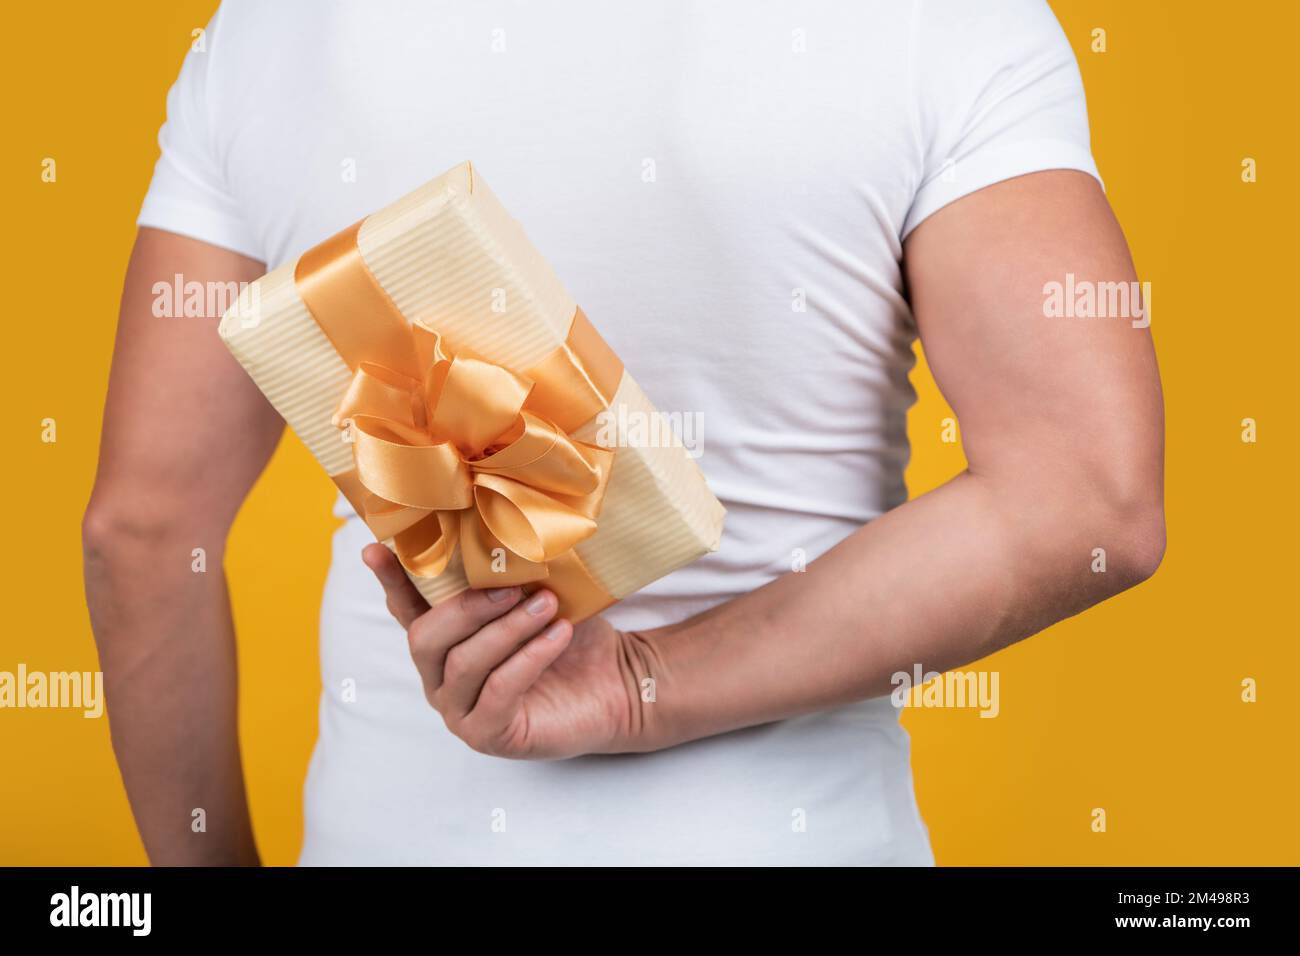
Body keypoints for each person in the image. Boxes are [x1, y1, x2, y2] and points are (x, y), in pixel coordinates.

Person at [83, 0, 1164, 866]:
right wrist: (638, 684)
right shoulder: (946, 22)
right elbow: (1083, 500)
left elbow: (140, 533)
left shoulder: (267, 33)